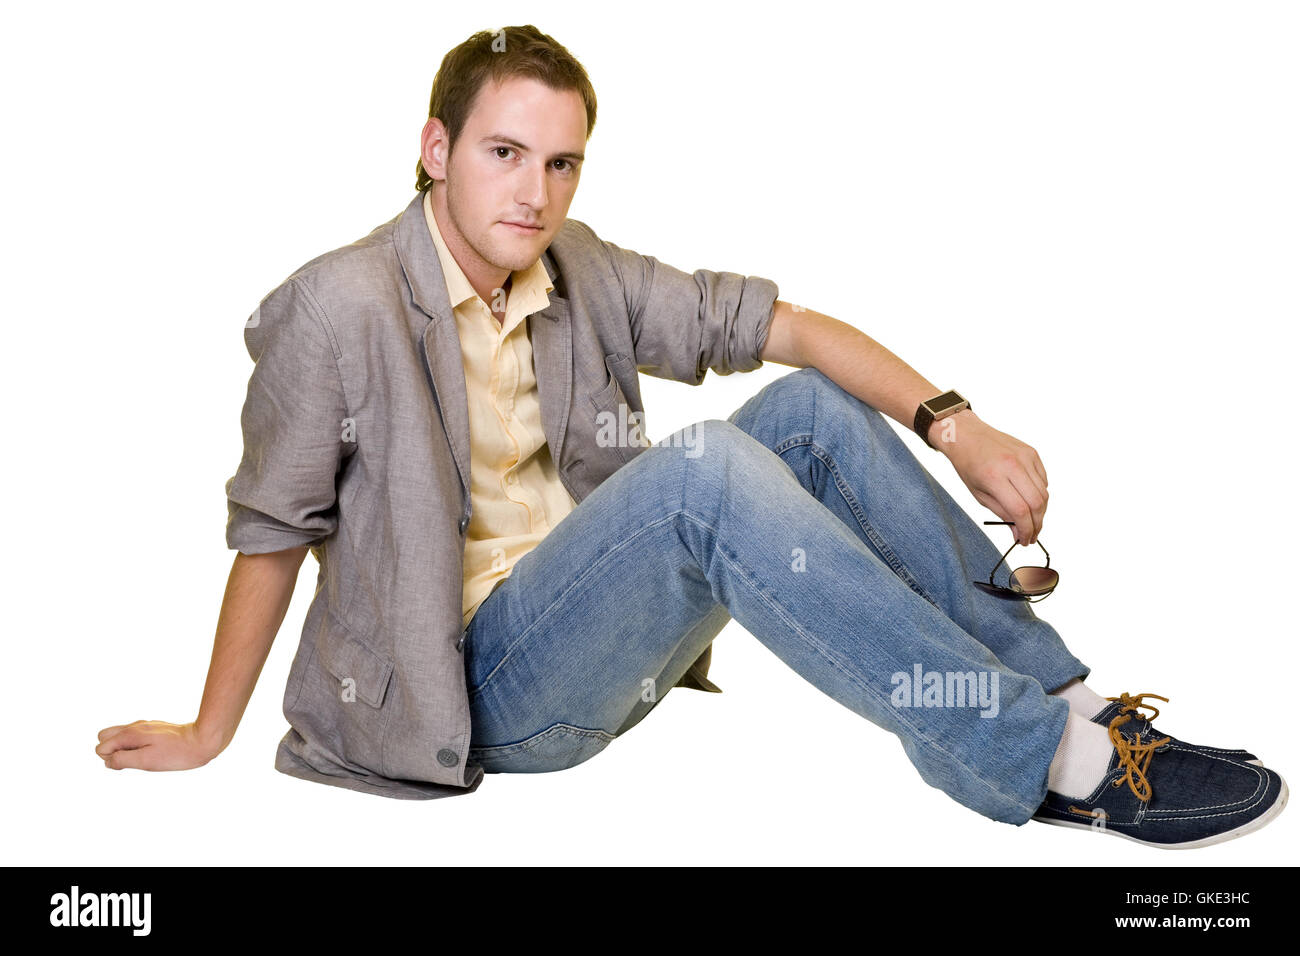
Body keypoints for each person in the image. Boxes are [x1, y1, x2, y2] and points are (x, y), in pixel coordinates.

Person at [96, 24, 1285, 848]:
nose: (534, 192)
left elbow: (786, 324)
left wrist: (950, 419)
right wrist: (209, 731)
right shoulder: (337, 305)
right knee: (701, 471)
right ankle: (1038, 766)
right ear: (435, 148)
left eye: (560, 163)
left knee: (810, 414)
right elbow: (271, 528)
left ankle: (1069, 703)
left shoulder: (578, 263)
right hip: (482, 694)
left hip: (607, 640)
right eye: (504, 153)